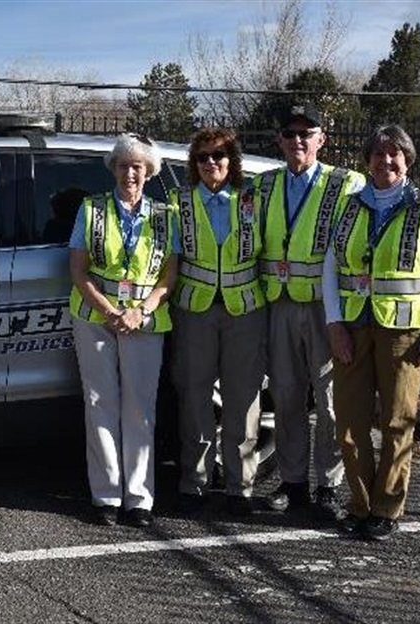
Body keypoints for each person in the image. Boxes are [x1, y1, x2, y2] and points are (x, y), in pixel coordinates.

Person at [324, 124, 420, 540]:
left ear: (407, 160)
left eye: (394, 154)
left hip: (405, 331)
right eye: (378, 154)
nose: (386, 161)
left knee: (398, 420)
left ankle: (387, 508)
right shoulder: (349, 205)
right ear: (366, 161)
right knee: (348, 423)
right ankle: (360, 504)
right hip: (353, 326)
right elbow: (330, 268)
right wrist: (334, 323)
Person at [255, 105, 363, 520]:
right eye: (290, 132)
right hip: (279, 305)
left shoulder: (346, 184)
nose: (298, 140)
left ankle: (328, 486)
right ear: (279, 140)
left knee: (331, 400)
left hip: (326, 306)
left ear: (322, 139)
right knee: (285, 399)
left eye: (307, 133)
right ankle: (293, 481)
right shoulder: (264, 186)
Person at [69, 134, 179, 528]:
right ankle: (107, 495)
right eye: (123, 165)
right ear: (113, 168)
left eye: (138, 167)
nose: (130, 173)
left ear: (148, 172)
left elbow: (170, 276)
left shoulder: (167, 215)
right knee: (100, 403)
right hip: (96, 315)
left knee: (140, 408)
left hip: (145, 319)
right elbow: (78, 271)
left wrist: (140, 311)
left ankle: (140, 498)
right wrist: (112, 310)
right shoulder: (92, 209)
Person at [169, 128, 266, 517]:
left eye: (219, 155)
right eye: (203, 157)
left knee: (243, 400)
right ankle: (194, 482)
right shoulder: (178, 203)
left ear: (233, 160)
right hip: (195, 311)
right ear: (194, 163)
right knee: (194, 397)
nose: (211, 162)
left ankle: (239, 487)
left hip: (245, 310)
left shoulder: (254, 200)